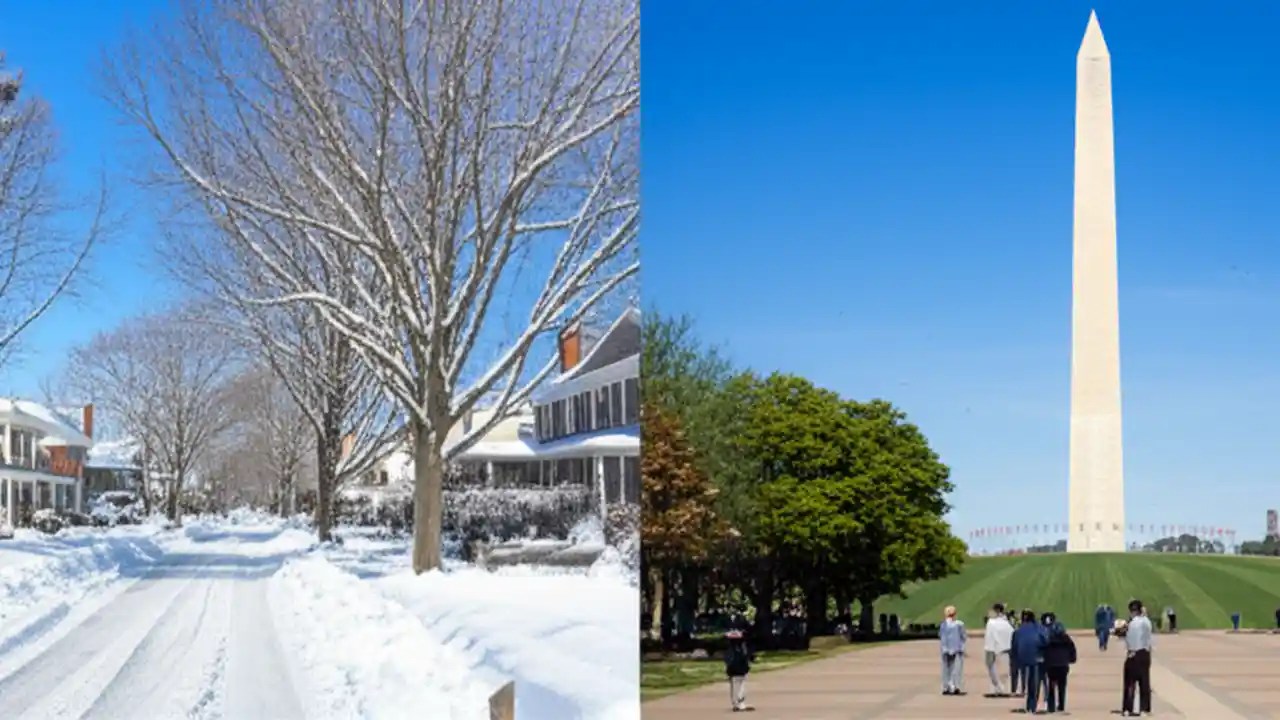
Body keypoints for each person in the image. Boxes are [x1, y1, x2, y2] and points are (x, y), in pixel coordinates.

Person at [1119, 599, 1153, 717]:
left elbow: (1123, 634)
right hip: (1145, 653)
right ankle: (1144, 709)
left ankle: (1127, 708)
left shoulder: (1131, 623)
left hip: (1133, 653)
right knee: (1144, 682)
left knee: (1129, 683)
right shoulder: (1146, 622)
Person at [1011, 609, 1048, 714]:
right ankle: (1032, 705)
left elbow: (1014, 646)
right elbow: (1045, 641)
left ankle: (1028, 704)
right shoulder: (1039, 628)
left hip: (1022, 658)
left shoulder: (1019, 630)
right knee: (1034, 682)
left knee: (1027, 681)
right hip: (1036, 657)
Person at [1044, 621, 1077, 714]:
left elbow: (1045, 651)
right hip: (1063, 665)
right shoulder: (1067, 640)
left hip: (1051, 665)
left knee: (1051, 686)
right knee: (1062, 686)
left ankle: (1051, 706)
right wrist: (1071, 660)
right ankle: (1061, 705)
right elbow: (1073, 651)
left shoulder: (1049, 639)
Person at [984, 603, 1014, 697]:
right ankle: (1002, 688)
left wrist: (989, 650)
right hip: (1006, 648)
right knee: (1004, 670)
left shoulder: (991, 622)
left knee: (994, 669)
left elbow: (989, 638)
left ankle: (998, 688)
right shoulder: (1007, 622)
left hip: (994, 648)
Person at [939, 605, 967, 695]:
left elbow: (942, 637)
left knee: (946, 669)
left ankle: (946, 686)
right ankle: (954, 686)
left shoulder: (943, 624)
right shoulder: (959, 624)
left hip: (946, 649)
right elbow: (963, 637)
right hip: (956, 649)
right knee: (956, 669)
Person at [723, 629, 754, 712]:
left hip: (736, 671)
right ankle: (739, 704)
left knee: (737, 687)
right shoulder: (739, 649)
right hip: (738, 671)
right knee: (739, 687)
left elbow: (728, 661)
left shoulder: (732, 650)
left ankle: (737, 704)